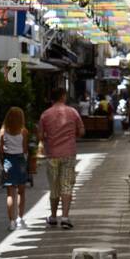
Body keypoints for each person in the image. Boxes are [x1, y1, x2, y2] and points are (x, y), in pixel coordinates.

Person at [38, 88, 85, 229]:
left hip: (52, 154)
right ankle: (65, 217)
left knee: (54, 187)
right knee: (67, 186)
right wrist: (72, 136)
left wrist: (48, 137)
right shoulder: (73, 112)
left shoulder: (45, 115)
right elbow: (82, 131)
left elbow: (40, 136)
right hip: (69, 153)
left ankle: (53, 216)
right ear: (63, 97)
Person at [0, 106, 29, 231]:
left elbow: (0, 149)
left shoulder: (3, 131)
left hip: (8, 161)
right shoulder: (23, 131)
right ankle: (20, 219)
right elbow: (25, 149)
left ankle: (11, 221)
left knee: (10, 194)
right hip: (20, 160)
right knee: (21, 192)